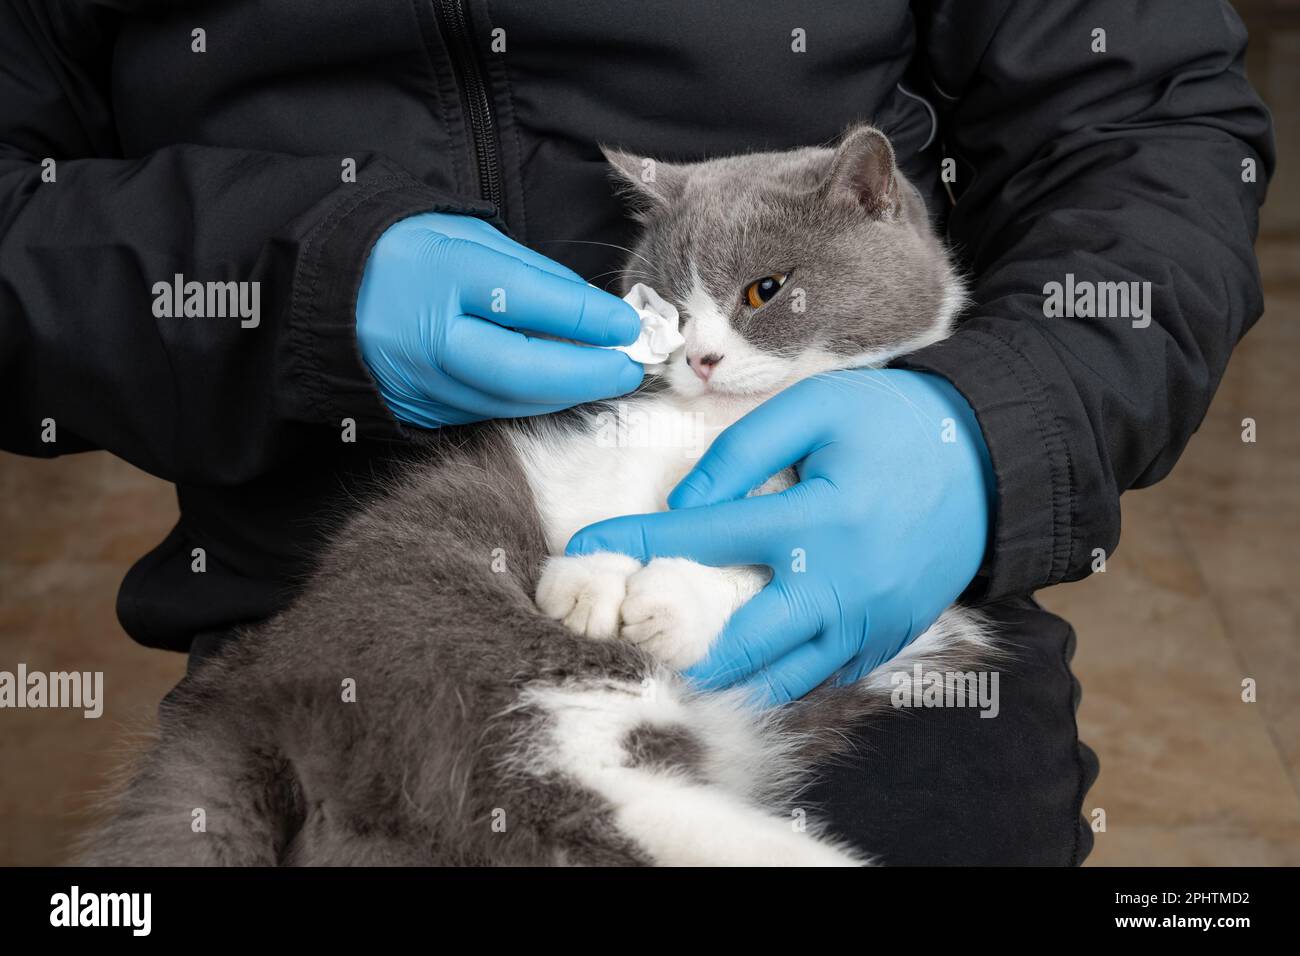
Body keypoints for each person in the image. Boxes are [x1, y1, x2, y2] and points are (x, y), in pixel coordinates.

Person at [0, 1, 1272, 864]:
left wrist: (994, 424)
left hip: (897, 556)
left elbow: (1148, 124)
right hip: (333, 571)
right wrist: (289, 286)